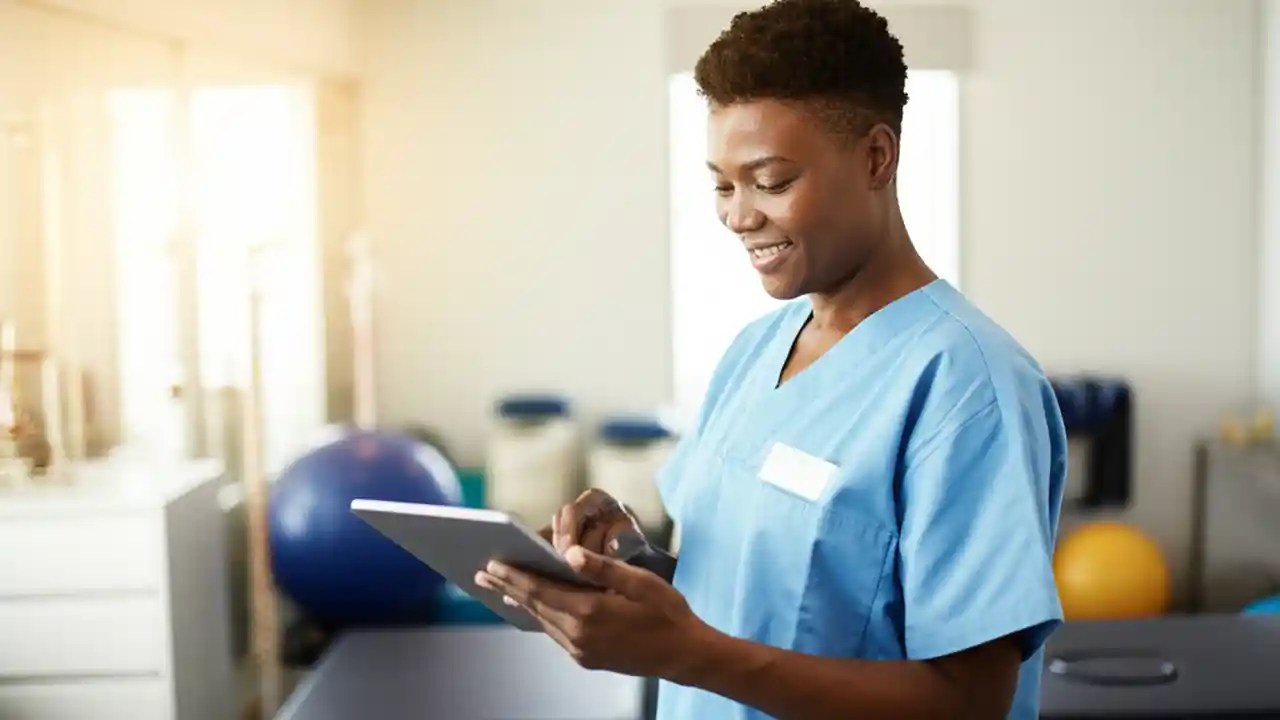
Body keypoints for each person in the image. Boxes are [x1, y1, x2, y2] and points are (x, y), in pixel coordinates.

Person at [475, 1, 1067, 717]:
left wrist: (684, 650)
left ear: (876, 157)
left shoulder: (968, 385)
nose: (738, 215)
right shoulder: (754, 351)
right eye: (723, 184)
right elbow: (745, 588)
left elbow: (968, 701)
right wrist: (625, 565)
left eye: (772, 181)